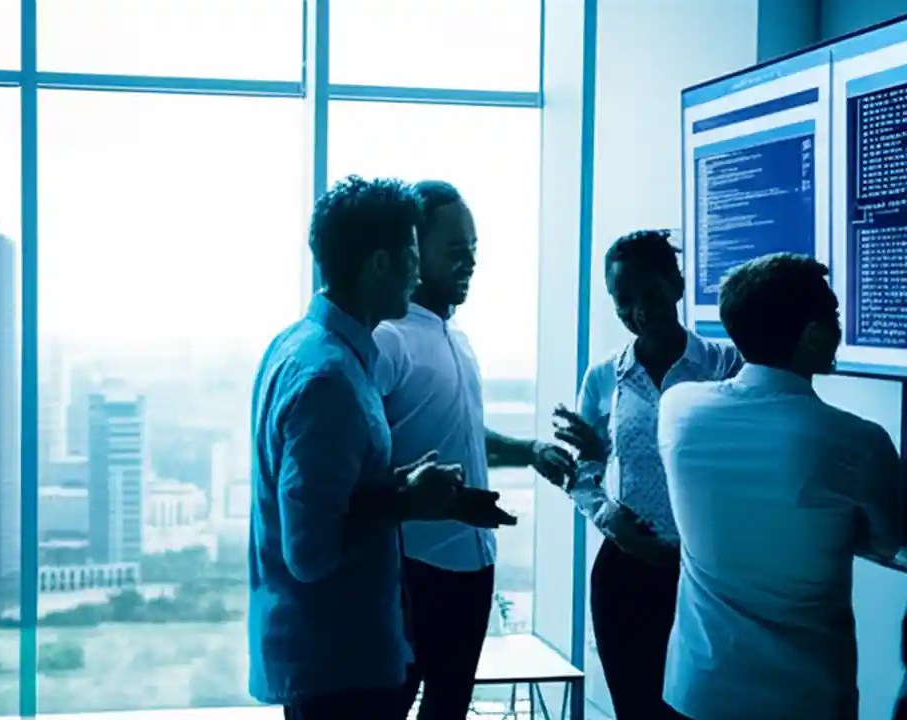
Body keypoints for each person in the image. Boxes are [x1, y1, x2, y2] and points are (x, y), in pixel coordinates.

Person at [248, 175, 516, 720]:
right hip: (337, 661)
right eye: (412, 256)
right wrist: (407, 502)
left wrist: (403, 484)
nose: (417, 272)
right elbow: (311, 548)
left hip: (339, 655)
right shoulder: (330, 378)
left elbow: (331, 492)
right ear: (379, 265)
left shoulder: (303, 346)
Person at [658, 253, 902, 719]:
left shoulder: (679, 408)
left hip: (701, 688)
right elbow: (890, 539)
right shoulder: (857, 441)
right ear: (813, 334)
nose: (840, 328)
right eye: (833, 316)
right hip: (804, 696)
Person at [372, 180, 573, 720]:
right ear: (414, 250)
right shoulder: (389, 339)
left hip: (471, 564)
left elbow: (461, 434)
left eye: (474, 249)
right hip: (415, 568)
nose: (471, 262)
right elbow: (360, 453)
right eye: (456, 250)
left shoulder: (454, 336)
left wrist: (529, 449)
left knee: (449, 709)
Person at [549, 229, 741, 720]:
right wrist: (610, 518)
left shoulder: (725, 366)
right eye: (623, 301)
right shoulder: (602, 379)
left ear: (677, 285)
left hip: (705, 571)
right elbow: (582, 474)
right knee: (636, 710)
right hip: (625, 571)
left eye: (651, 294)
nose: (639, 311)